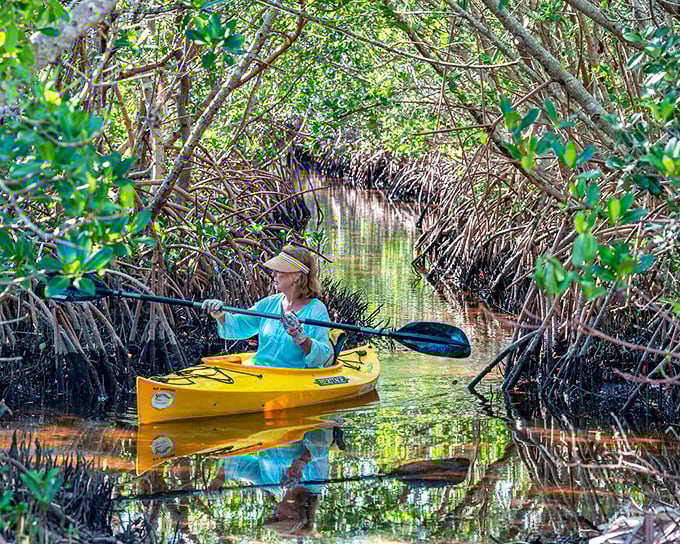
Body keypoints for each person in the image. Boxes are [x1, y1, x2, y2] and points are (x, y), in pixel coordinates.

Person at [202, 244, 333, 368]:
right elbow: (240, 325)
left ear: (297, 276)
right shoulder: (269, 303)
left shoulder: (317, 310)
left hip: (293, 376)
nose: (273, 274)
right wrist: (220, 315)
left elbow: (322, 357)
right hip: (261, 370)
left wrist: (301, 338)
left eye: (279, 270)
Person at [209, 427, 332, 537]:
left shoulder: (271, 484)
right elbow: (321, 436)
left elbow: (237, 463)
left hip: (261, 424)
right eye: (278, 517)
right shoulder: (317, 482)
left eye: (274, 517)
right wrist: (302, 461)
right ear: (294, 514)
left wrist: (219, 480)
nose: (274, 513)